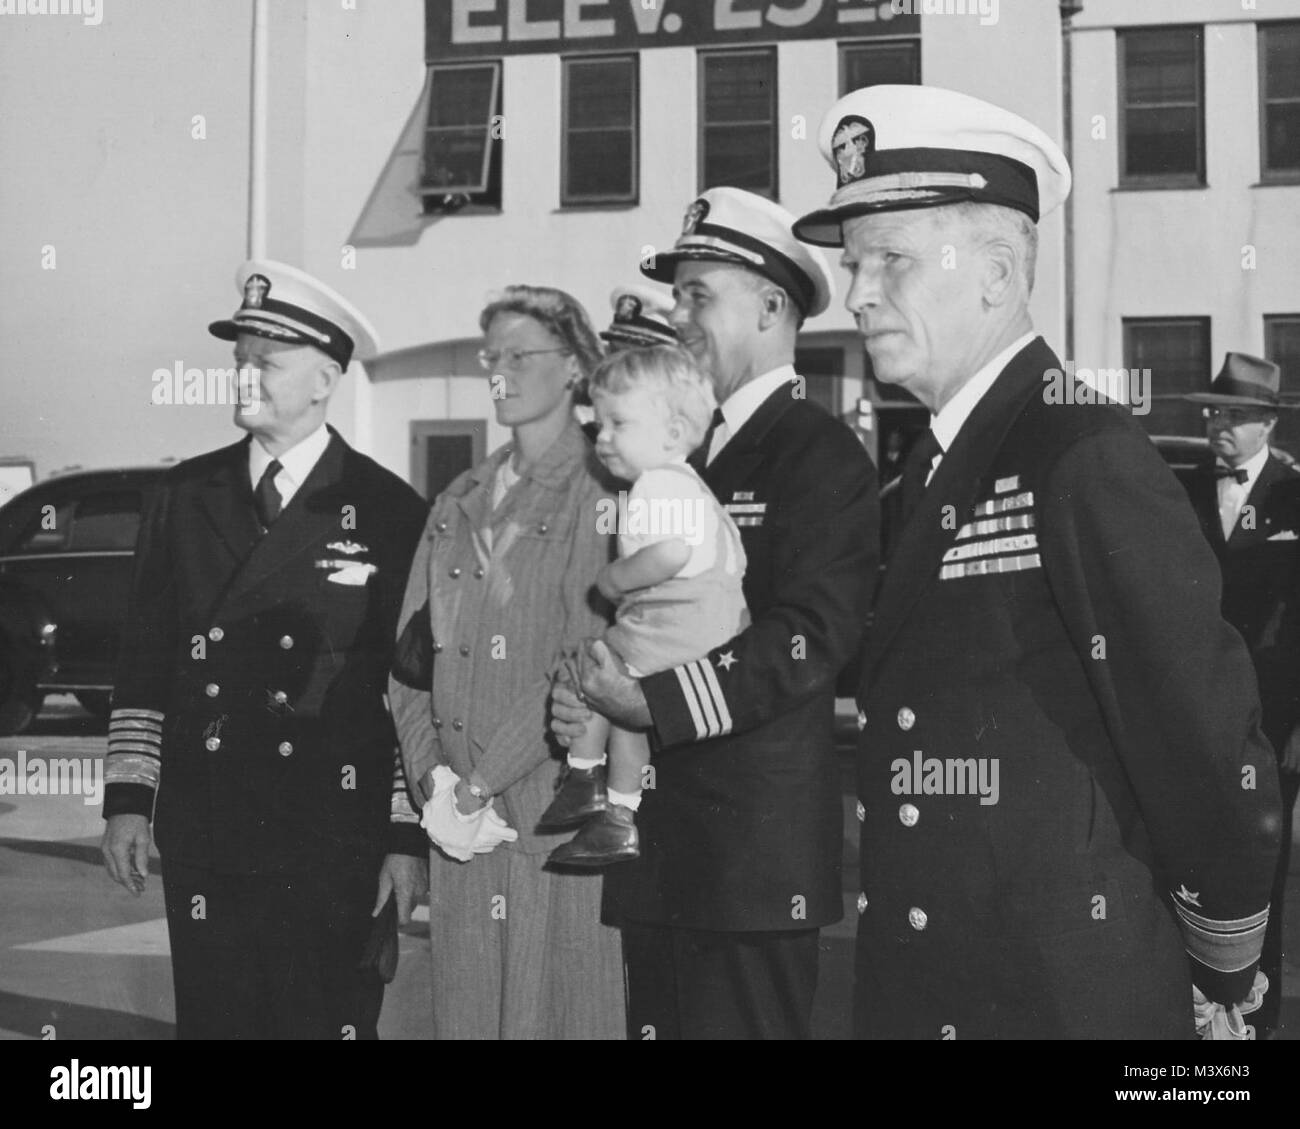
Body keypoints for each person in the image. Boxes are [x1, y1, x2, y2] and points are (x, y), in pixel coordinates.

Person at [793, 83, 1282, 1039]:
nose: (856, 292)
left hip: (1053, 995)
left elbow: (1201, 738)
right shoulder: (947, 456)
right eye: (854, 265)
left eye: (890, 259)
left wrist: (1223, 967)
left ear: (999, 271)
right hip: (949, 982)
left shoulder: (1078, 452)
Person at [552, 187, 879, 1039]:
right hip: (658, 849)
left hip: (749, 864)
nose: (679, 313)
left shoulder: (818, 451)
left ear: (773, 306)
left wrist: (650, 703)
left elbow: (810, 635)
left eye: (701, 294)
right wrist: (593, 688)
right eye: (676, 294)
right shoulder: (677, 450)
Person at [100, 260, 428, 1039]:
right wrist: (126, 802)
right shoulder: (184, 497)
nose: (244, 377)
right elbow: (144, 659)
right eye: (238, 359)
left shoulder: (387, 508)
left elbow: (409, 690)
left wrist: (403, 834)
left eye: (266, 362)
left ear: (323, 379)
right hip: (207, 826)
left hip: (330, 837)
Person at [376, 285, 626, 1039]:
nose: (498, 374)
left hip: (550, 818)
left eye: (521, 356)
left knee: (557, 1014)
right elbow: (408, 665)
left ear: (577, 366)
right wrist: (434, 787)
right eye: (491, 357)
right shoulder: (458, 498)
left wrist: (481, 784)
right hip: (462, 827)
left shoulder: (602, 489)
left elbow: (585, 664)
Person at [540, 344, 749, 867]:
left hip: (678, 616)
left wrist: (614, 578)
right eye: (598, 423)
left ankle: (584, 774)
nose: (602, 437)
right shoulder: (690, 486)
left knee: (595, 670)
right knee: (632, 711)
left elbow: (671, 553)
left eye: (617, 423)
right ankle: (620, 812)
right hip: (711, 619)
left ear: (673, 433)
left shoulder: (656, 485)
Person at [1182, 353, 1300, 1037]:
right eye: (1214, 413)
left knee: (1261, 868)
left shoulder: (1294, 492)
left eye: (1235, 415)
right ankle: (1201, 1021)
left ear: (1270, 422)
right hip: (1193, 712)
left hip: (1273, 718)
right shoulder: (1185, 487)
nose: (1219, 425)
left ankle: (1259, 1020)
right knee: (1193, 866)